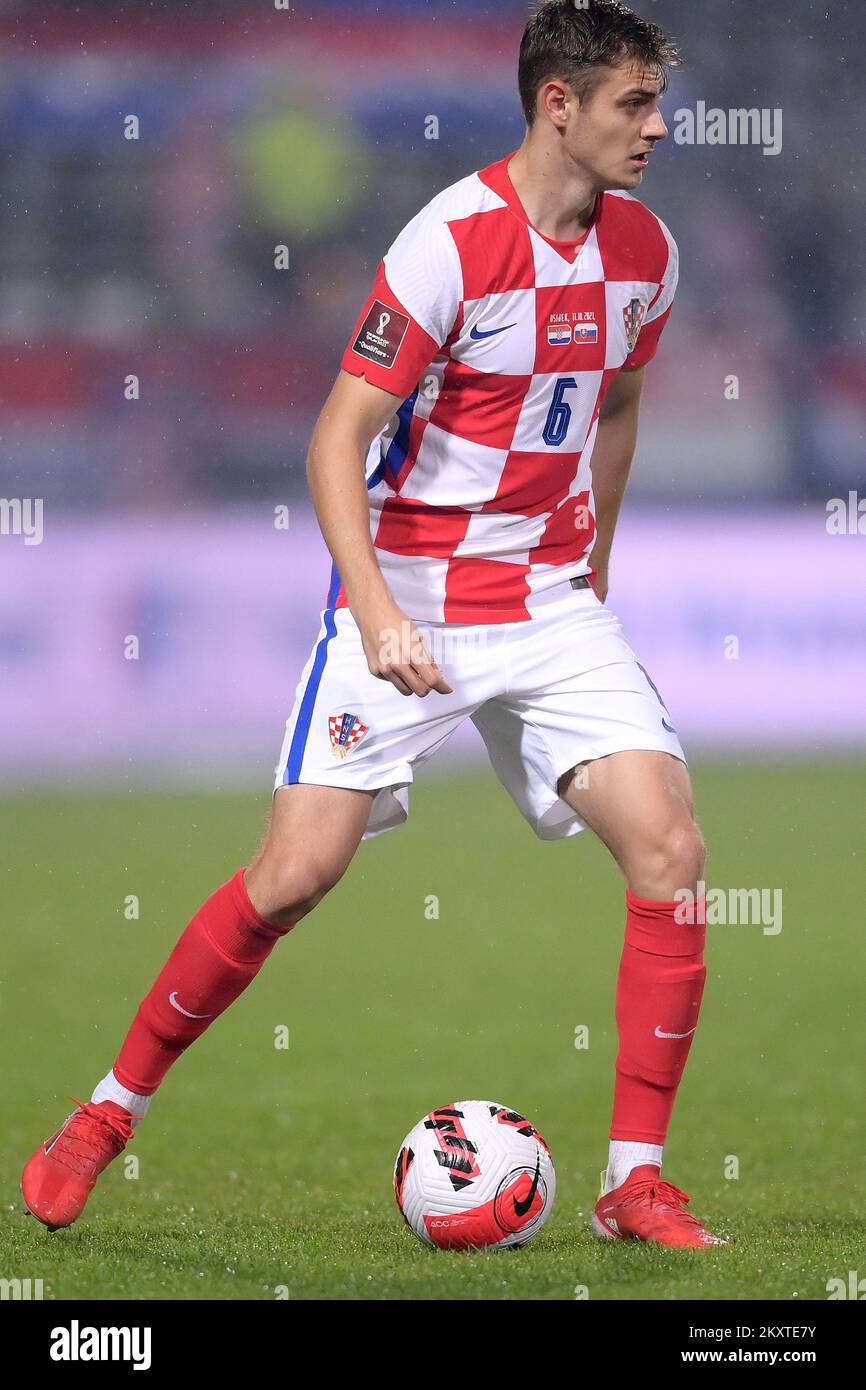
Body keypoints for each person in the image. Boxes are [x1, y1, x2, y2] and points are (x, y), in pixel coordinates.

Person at [23, 0, 725, 1249]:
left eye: (656, 103)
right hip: (410, 594)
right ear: (555, 104)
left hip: (548, 604)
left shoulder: (647, 254)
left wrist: (593, 567)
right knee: (295, 874)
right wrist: (380, 610)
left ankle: (633, 1182)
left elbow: (615, 403)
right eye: (632, 103)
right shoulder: (446, 245)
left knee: (669, 850)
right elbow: (334, 440)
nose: (656, 127)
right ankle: (103, 1115)